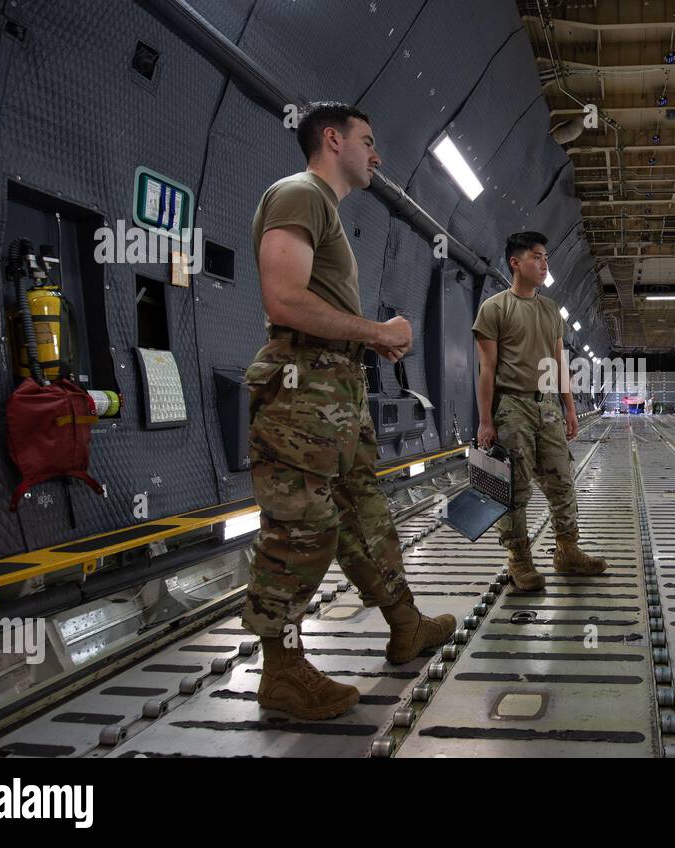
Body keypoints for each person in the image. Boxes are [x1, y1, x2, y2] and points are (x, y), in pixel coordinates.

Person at [243, 101, 455, 720]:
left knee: (363, 513)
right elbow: (283, 299)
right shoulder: (301, 192)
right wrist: (376, 331)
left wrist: (365, 342)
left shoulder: (323, 209)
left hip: (336, 389)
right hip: (303, 384)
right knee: (302, 528)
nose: (377, 154)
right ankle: (281, 671)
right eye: (367, 140)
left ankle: (405, 622)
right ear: (332, 140)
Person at [473, 232, 607, 591]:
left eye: (546, 256)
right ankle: (519, 559)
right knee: (514, 488)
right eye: (536, 256)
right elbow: (487, 369)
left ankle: (567, 551)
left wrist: (570, 408)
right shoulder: (495, 308)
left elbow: (560, 363)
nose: (545, 263)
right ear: (516, 263)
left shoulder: (550, 310)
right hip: (511, 405)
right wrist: (485, 421)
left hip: (547, 405)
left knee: (562, 482)